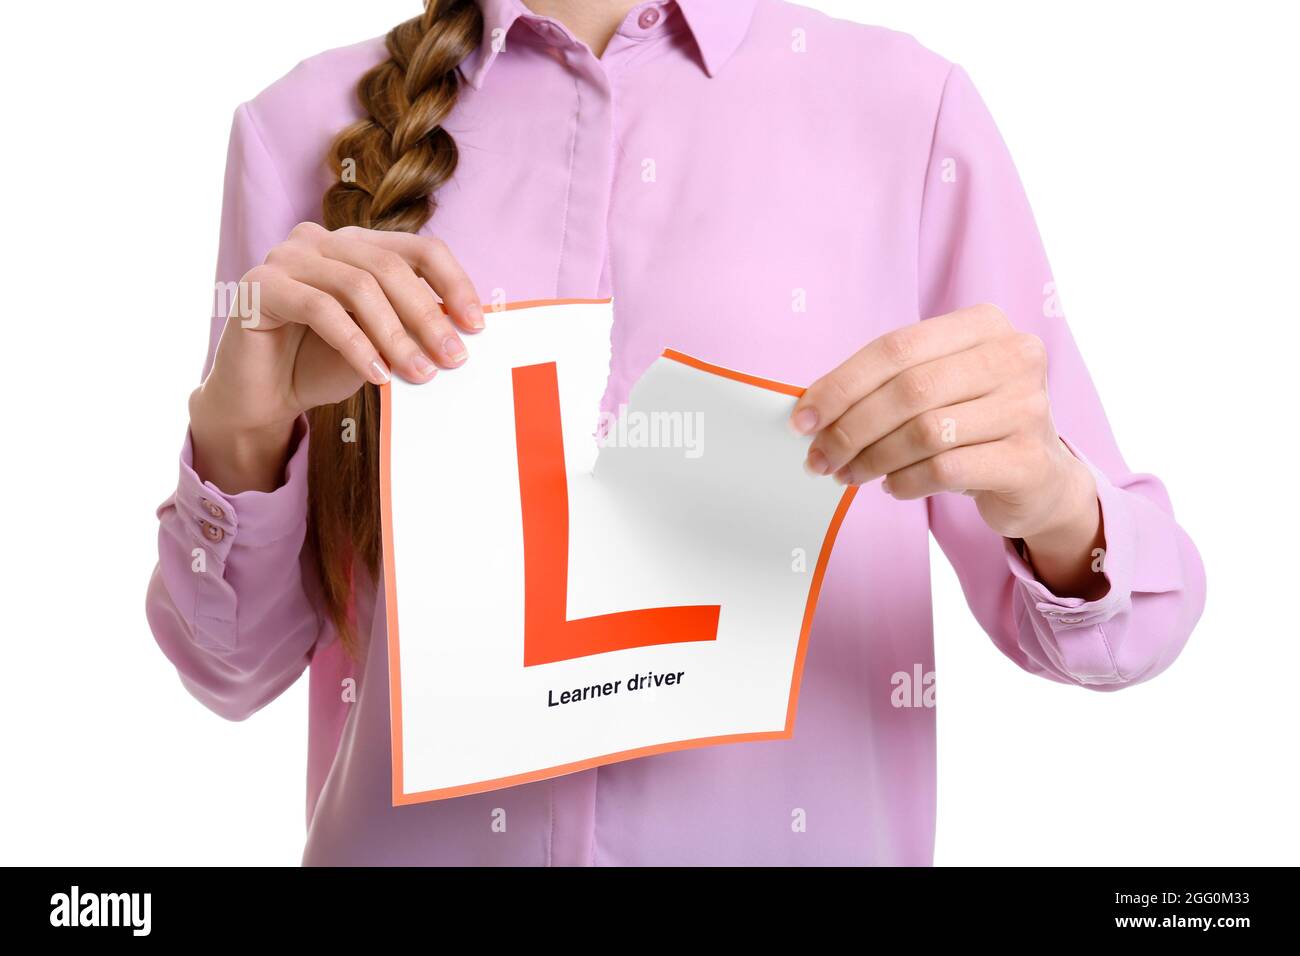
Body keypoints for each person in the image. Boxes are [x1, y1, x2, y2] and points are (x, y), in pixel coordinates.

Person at [146, 0, 1206, 865]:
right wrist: (236, 436)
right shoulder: (297, 128)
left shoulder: (902, 110)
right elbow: (228, 667)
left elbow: (1131, 626)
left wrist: (1055, 501)